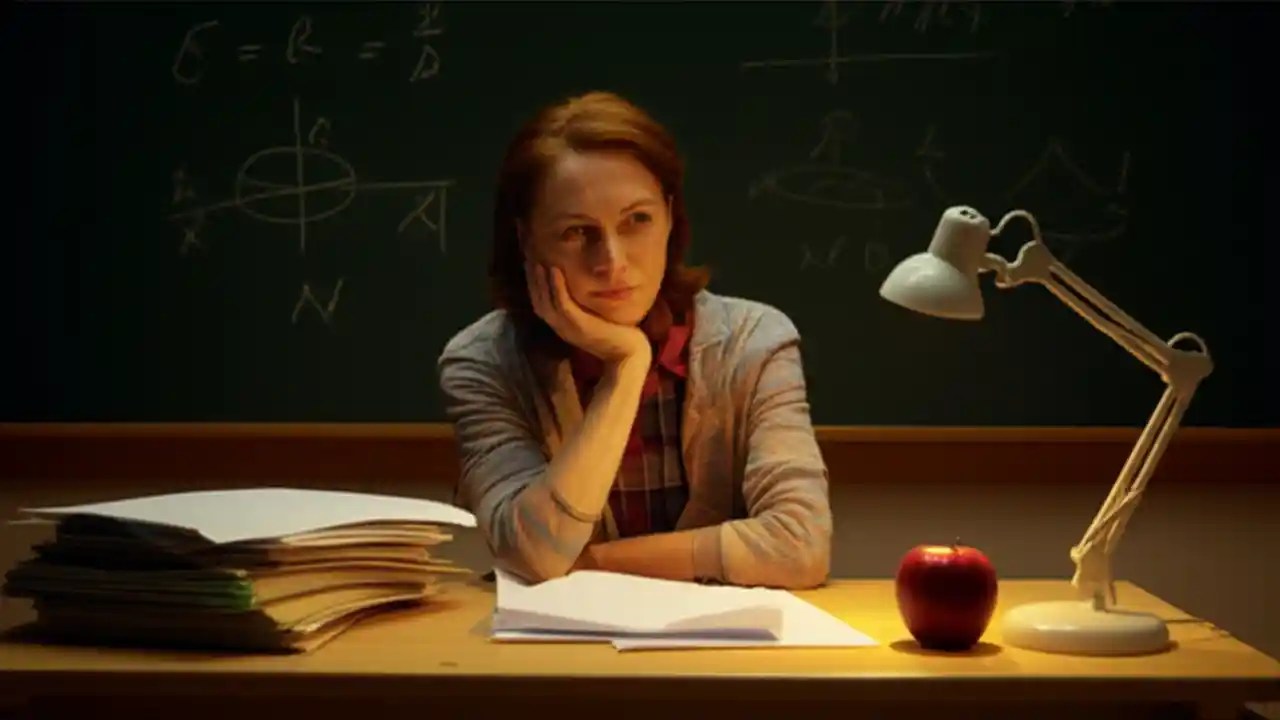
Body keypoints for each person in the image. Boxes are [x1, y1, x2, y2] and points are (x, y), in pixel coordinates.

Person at [437, 91, 832, 589]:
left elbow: (800, 546)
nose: (612, 261)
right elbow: (535, 554)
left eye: (637, 221)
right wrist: (627, 365)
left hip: (724, 655)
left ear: (669, 217)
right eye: (577, 233)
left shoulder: (753, 342)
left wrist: (591, 564)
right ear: (526, 239)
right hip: (553, 658)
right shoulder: (482, 362)